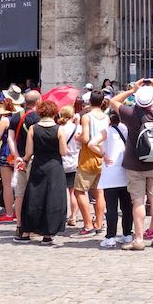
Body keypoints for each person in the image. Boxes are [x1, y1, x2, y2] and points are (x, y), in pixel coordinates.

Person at [110, 78, 153, 251]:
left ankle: (138, 239)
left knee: (138, 200)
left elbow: (113, 101)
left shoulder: (130, 114)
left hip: (134, 163)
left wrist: (132, 89)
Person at [15, 101, 68, 245]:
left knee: (33, 197)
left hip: (39, 165)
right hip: (54, 166)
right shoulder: (59, 129)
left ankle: (26, 232)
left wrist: (24, 161)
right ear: (54, 112)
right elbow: (63, 151)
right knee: (52, 198)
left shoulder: (33, 128)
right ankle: (48, 234)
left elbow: (28, 153)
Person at [88, 112, 132, 248]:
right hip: (126, 171)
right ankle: (127, 234)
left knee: (111, 207)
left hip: (110, 173)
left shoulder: (106, 131)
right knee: (127, 207)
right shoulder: (127, 129)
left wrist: (104, 155)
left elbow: (91, 144)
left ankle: (111, 236)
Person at [71, 90, 109, 238]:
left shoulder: (87, 117)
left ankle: (87, 225)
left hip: (89, 155)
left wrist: (77, 136)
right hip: (103, 155)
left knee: (79, 191)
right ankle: (99, 223)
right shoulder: (106, 117)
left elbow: (86, 138)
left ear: (89, 102)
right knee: (99, 192)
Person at [8, 90, 41, 239]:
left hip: (21, 159)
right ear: (38, 102)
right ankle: (34, 226)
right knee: (35, 193)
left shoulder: (16, 117)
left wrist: (16, 157)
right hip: (35, 159)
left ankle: (19, 225)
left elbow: (10, 138)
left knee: (20, 194)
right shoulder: (38, 118)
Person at [0, 99, 16, 223]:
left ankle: (9, 213)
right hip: (17, 151)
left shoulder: (4, 120)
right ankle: (18, 210)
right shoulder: (17, 118)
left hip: (6, 151)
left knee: (7, 185)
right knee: (19, 184)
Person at [57, 105, 81, 226]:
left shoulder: (58, 128)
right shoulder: (78, 128)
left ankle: (59, 216)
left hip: (60, 162)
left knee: (59, 191)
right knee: (73, 192)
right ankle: (73, 216)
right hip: (75, 161)